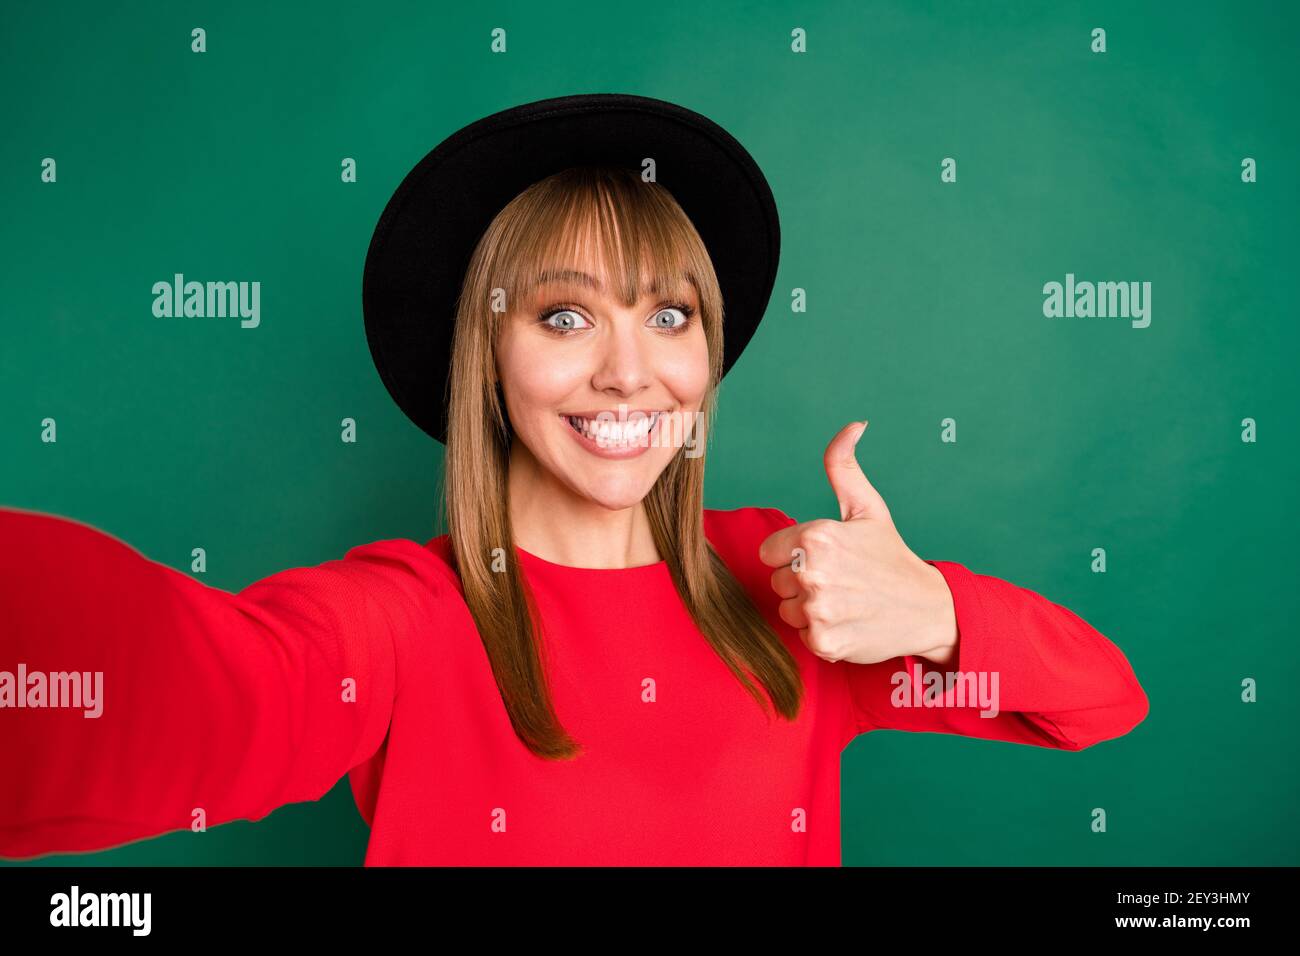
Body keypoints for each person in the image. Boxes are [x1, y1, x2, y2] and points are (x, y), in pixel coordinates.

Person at [0, 94, 1148, 866]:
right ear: (488, 356)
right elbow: (182, 692)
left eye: (668, 313)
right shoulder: (401, 618)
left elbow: (1101, 700)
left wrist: (940, 613)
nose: (628, 370)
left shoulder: (793, 586)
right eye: (563, 315)